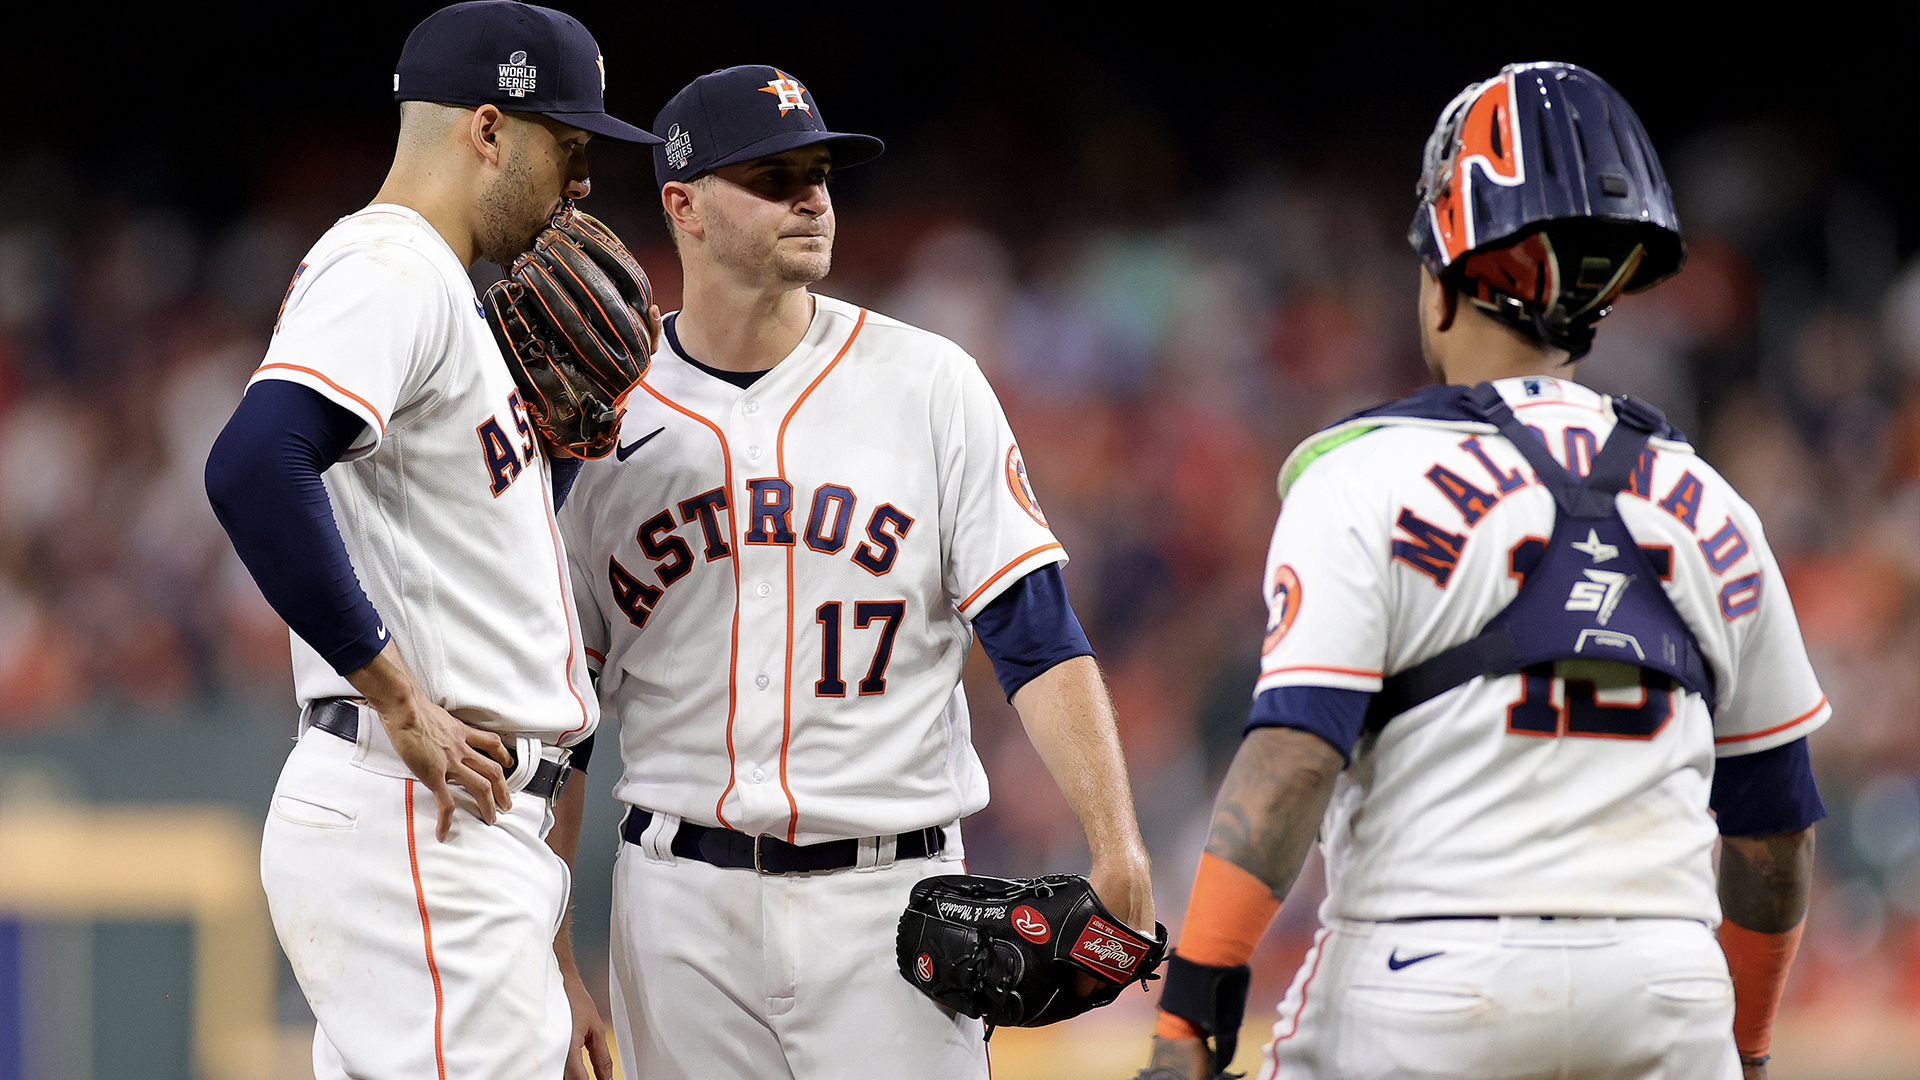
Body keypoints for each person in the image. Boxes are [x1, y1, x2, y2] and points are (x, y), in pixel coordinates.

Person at [1136, 63, 1826, 1080]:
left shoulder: (1362, 475)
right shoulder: (1712, 501)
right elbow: (1775, 835)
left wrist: (1187, 1016)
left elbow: (1290, 763)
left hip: (1429, 968)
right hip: (1667, 986)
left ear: (1442, 273)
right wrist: (1746, 1050)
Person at [556, 64, 1156, 1080]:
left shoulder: (927, 383)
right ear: (683, 206)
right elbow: (564, 716)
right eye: (774, 178)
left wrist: (1118, 839)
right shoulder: (604, 417)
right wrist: (554, 947)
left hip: (891, 908)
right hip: (676, 908)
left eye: (820, 174)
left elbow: (1036, 634)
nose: (812, 199)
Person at [202, 4, 659, 1078]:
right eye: (569, 146)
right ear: (488, 130)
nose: (582, 181)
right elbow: (254, 463)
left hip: (451, 833)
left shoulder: (445, 295)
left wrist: (557, 456)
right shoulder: (392, 264)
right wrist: (400, 699)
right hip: (419, 815)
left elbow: (462, 570)